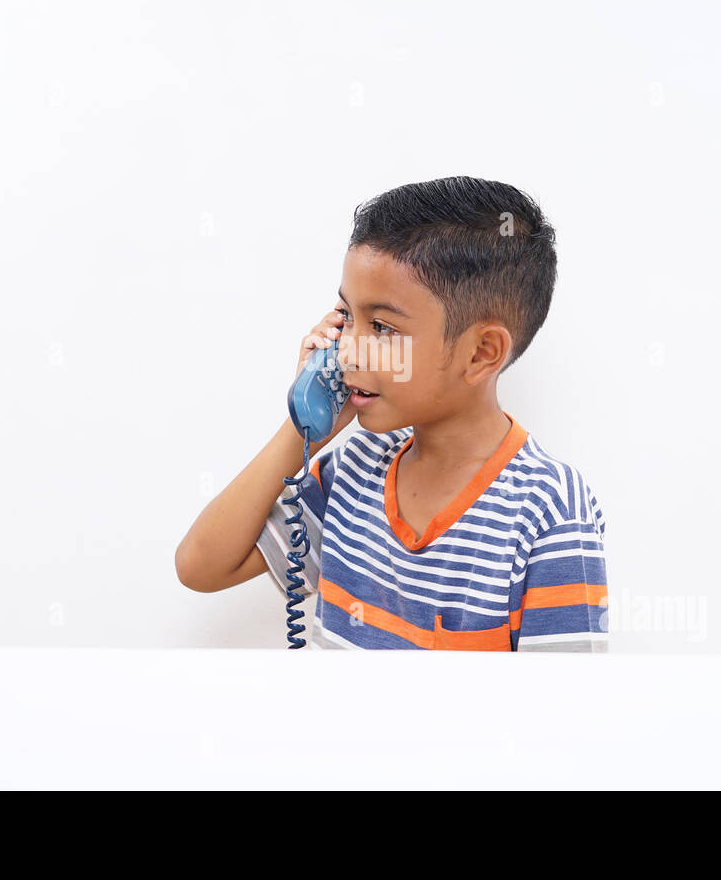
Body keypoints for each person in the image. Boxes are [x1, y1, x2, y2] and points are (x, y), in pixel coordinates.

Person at [175, 176, 608, 651]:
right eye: (346, 316)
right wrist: (304, 427)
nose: (348, 352)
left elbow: (566, 710)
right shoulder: (352, 473)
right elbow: (201, 567)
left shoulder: (550, 512)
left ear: (482, 352)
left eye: (381, 327)